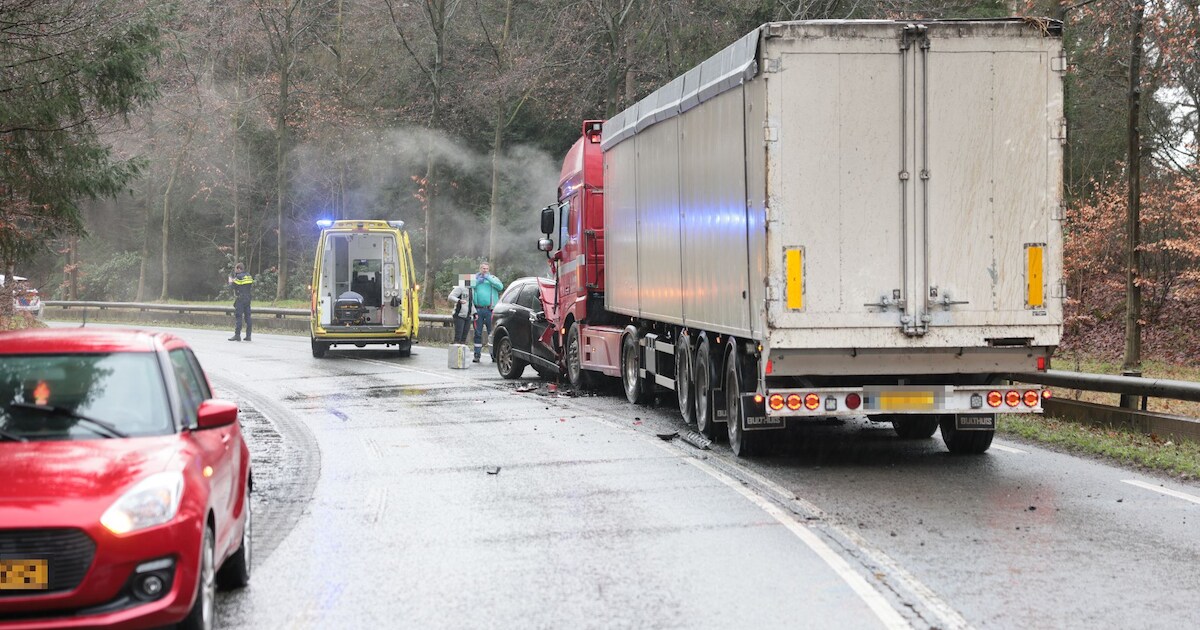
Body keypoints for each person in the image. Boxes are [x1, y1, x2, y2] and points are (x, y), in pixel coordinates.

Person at [470, 262, 503, 363]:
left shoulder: (493, 278)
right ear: (480, 269)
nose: (485, 270)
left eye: (486, 268)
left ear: (489, 269)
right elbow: (466, 286)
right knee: (477, 333)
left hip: (490, 310)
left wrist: (489, 279)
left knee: (491, 333)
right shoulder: (474, 278)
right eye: (483, 268)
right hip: (478, 309)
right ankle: (477, 355)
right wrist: (477, 281)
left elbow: (500, 287)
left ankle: (494, 355)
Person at [227, 263, 254, 341]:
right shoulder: (249, 276)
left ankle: (237, 335)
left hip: (241, 299)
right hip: (248, 299)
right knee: (248, 317)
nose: (235, 270)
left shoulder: (238, 277)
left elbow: (231, 286)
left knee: (238, 316)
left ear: (239, 269)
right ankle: (248, 336)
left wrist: (230, 280)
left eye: (236, 269)